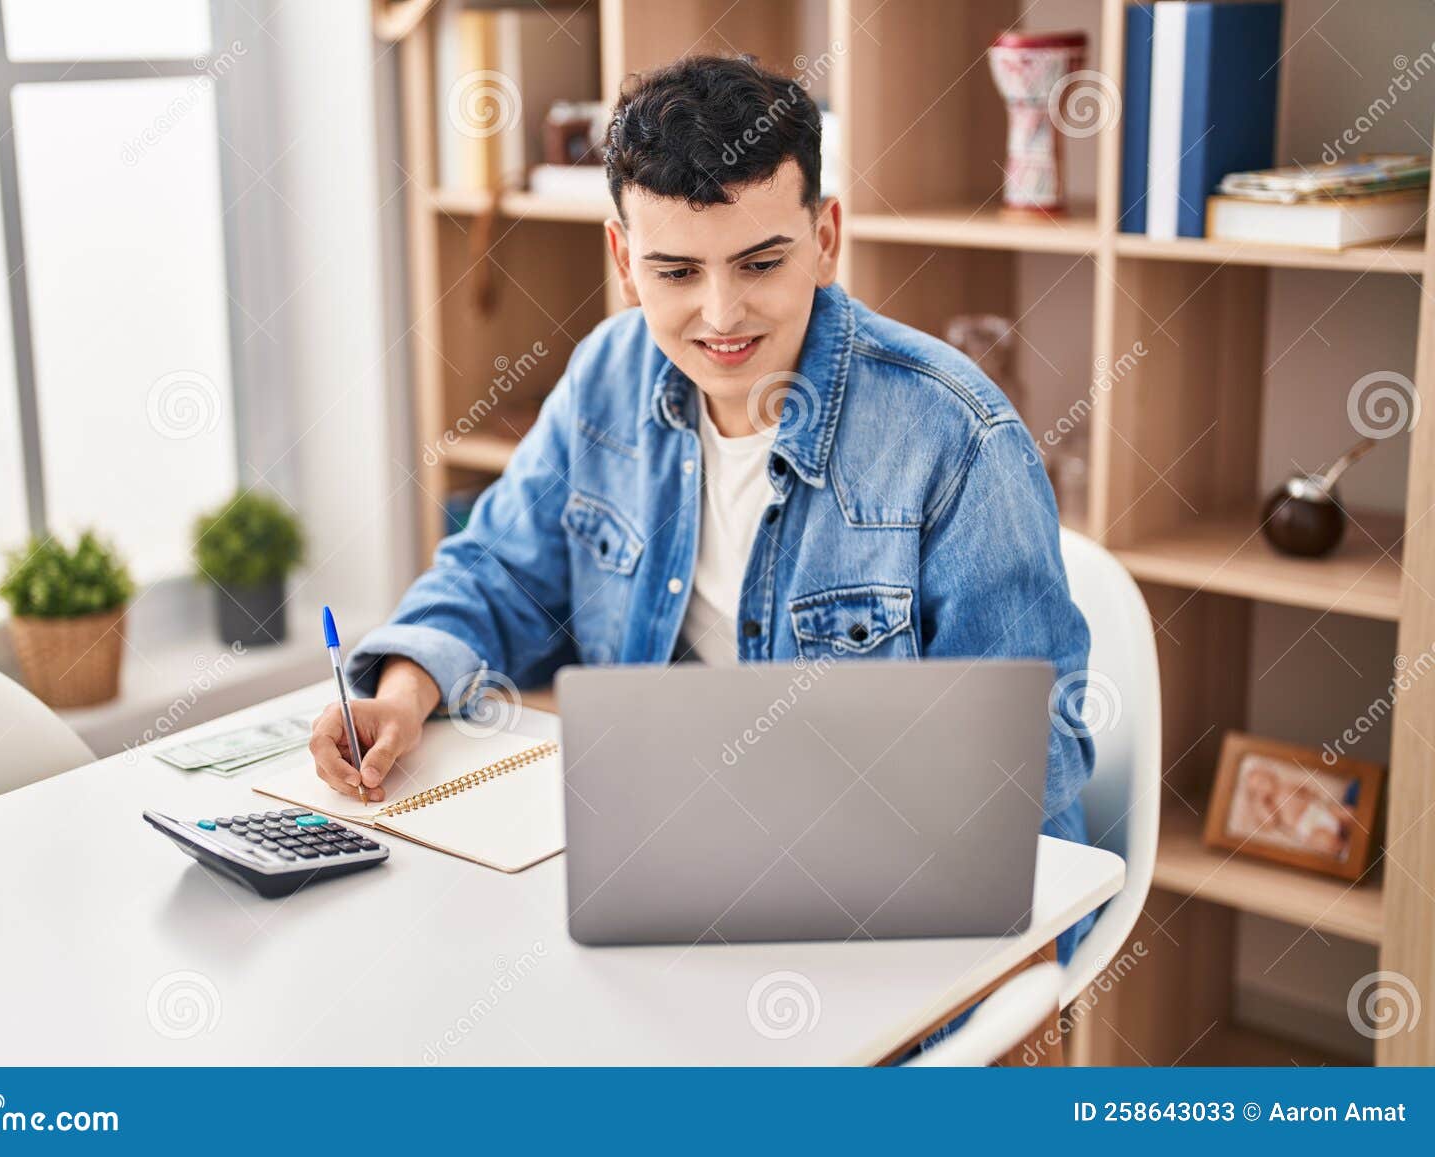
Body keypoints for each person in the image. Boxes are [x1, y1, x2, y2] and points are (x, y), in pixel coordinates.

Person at [309, 53, 1098, 965]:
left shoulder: (955, 436)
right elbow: (494, 576)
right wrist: (404, 696)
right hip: (670, 870)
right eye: (677, 271)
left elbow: (1039, 752)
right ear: (624, 259)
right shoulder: (606, 376)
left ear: (827, 235)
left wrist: (797, 811)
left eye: (761, 262)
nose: (723, 315)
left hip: (903, 910)